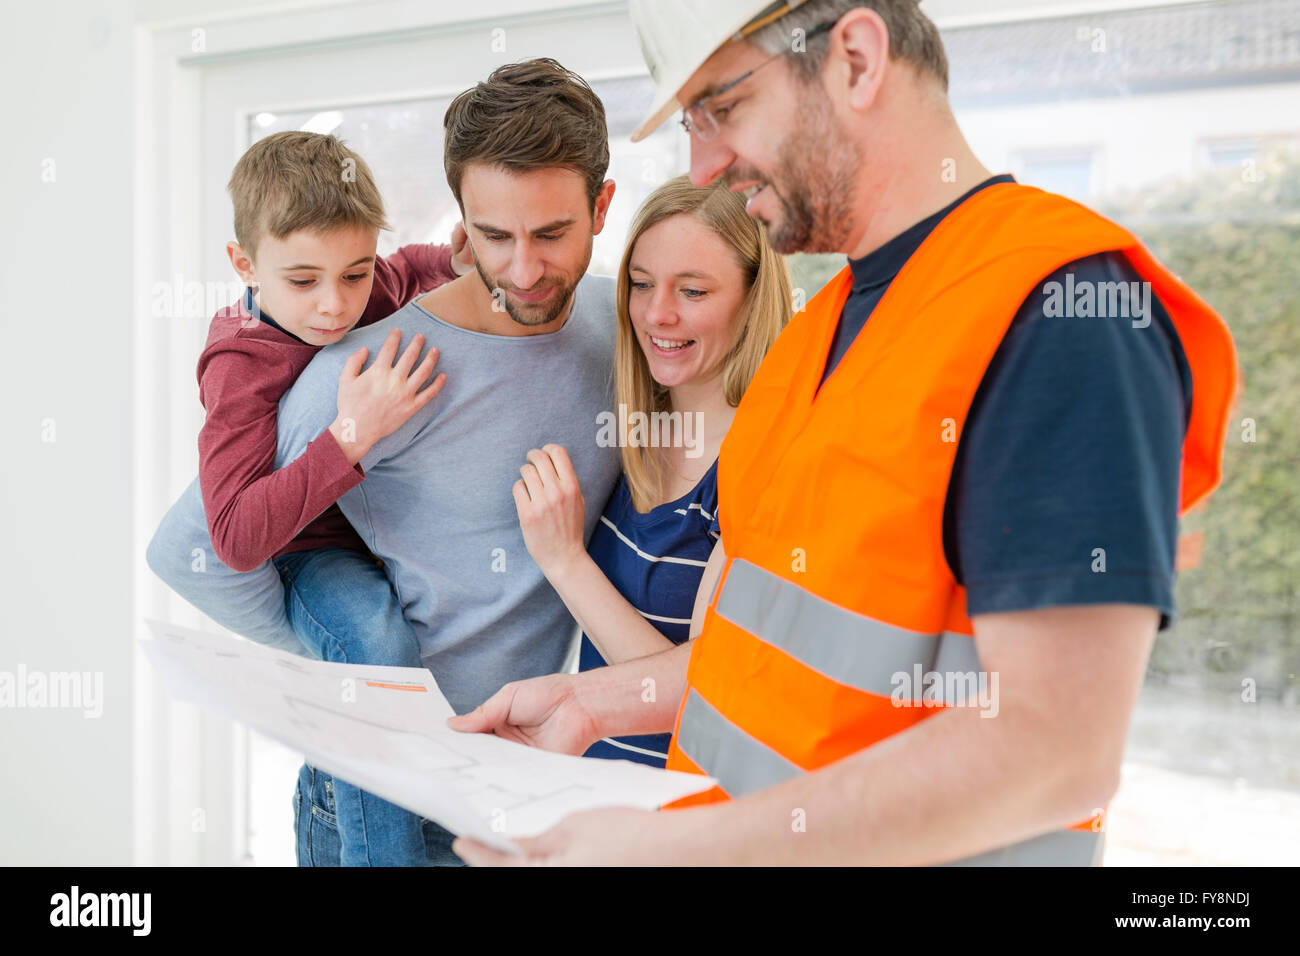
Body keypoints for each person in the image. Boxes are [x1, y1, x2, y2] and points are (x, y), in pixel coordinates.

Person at [448, 0, 1238, 866]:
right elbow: (757, 661)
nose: (704, 163)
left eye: (722, 108)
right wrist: (589, 705)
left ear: (856, 59)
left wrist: (673, 850)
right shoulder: (813, 340)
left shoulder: (1061, 315)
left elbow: (1053, 750)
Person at [147, 58, 625, 865]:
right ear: (463, 219)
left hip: (540, 797)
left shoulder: (629, 328)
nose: (523, 269)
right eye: (494, 236)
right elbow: (195, 552)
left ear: (602, 206)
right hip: (383, 796)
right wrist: (356, 674)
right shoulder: (363, 373)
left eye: (551, 234)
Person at [148, 129, 470, 866]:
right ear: (244, 266)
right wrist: (349, 437)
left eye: (352, 274)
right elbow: (230, 536)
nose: (335, 306)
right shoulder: (239, 363)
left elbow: (405, 268)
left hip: (389, 537)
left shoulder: (362, 286)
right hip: (313, 557)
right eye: (303, 281)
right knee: (375, 641)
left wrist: (454, 259)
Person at [511, 175, 790, 767]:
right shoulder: (632, 433)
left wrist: (565, 561)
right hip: (593, 808)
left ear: (752, 295)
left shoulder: (765, 466)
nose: (657, 314)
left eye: (692, 291)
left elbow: (695, 688)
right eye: (641, 285)